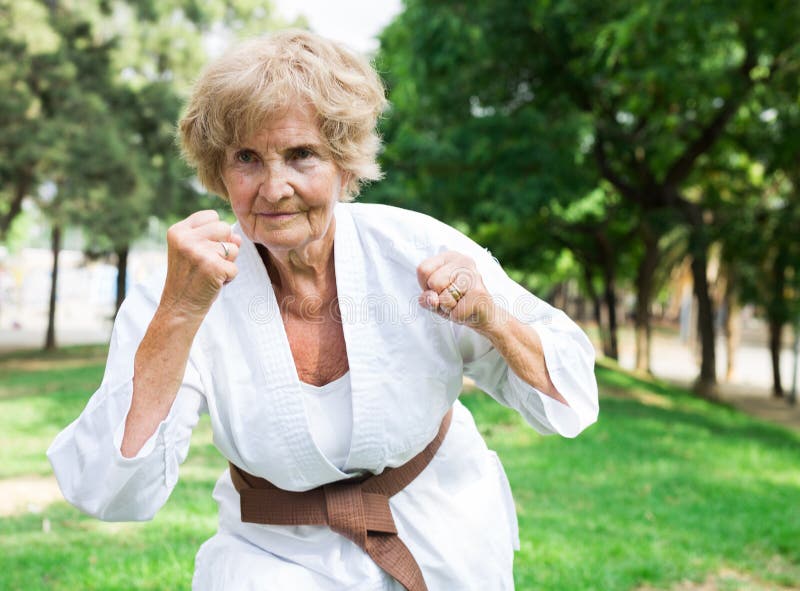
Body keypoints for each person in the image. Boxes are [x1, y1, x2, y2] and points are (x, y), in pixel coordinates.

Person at [47, 30, 598, 590]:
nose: (274, 187)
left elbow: (569, 397)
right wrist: (181, 314)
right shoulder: (181, 289)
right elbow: (109, 489)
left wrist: (493, 320)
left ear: (345, 162)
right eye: (247, 158)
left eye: (300, 154)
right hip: (273, 554)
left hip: (444, 527)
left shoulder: (416, 249)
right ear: (219, 170)